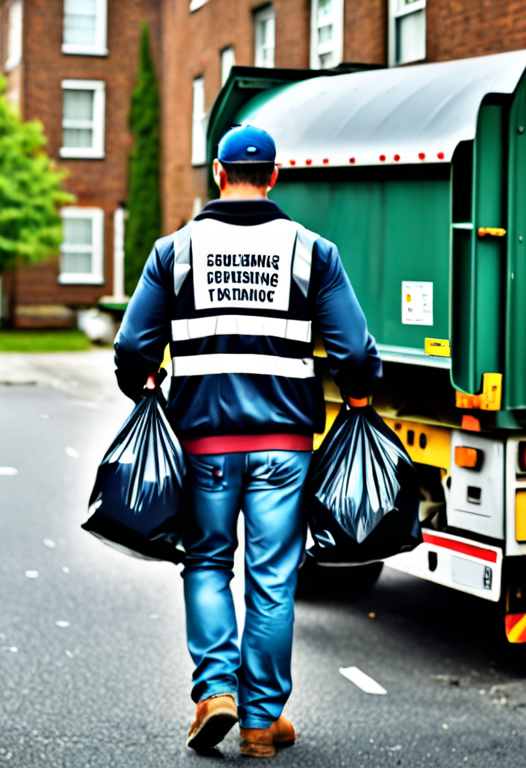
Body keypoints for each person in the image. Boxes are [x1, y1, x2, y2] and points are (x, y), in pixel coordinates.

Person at [114, 125, 380, 758]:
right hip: (284, 445)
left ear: (216, 171)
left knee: (206, 562)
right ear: (274, 177)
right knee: (272, 577)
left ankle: (215, 692)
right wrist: (362, 397)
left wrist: (142, 386)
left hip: (203, 442)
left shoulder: (173, 251)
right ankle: (262, 722)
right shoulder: (311, 251)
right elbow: (353, 352)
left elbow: (132, 347)